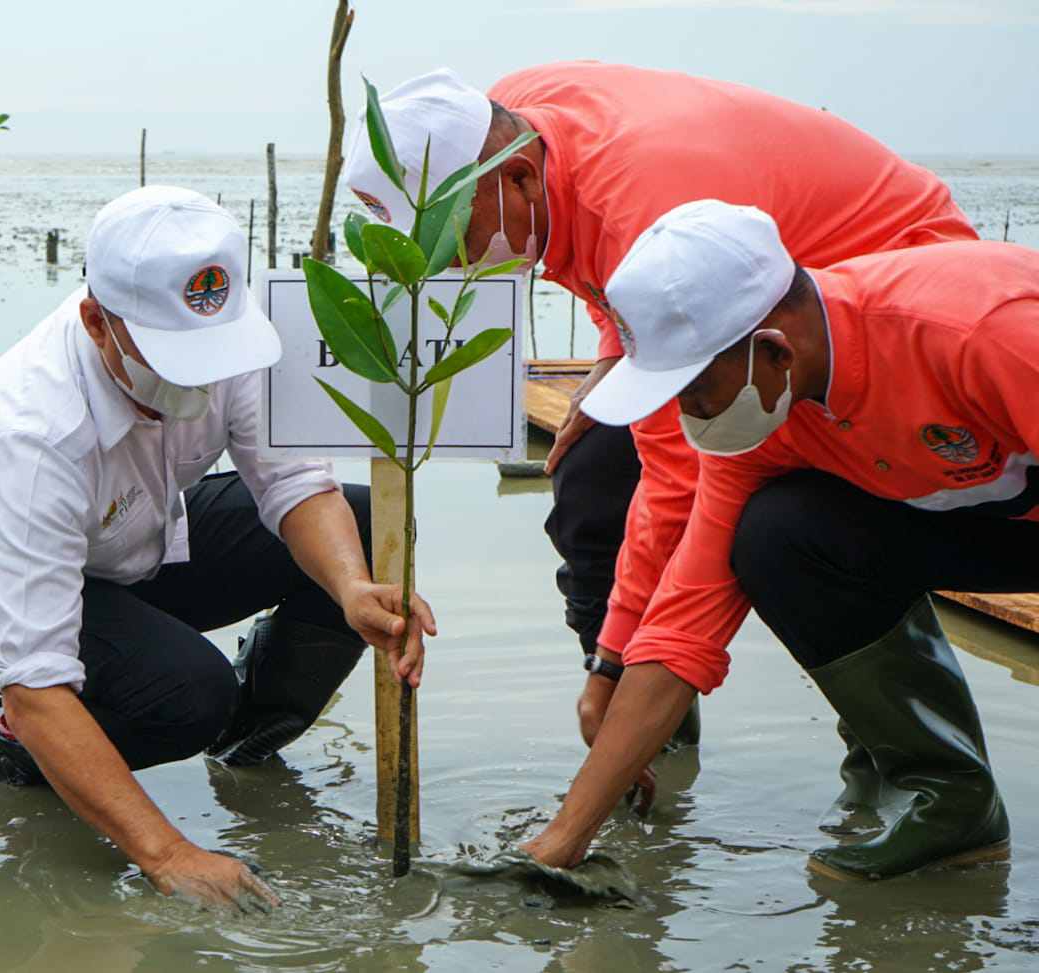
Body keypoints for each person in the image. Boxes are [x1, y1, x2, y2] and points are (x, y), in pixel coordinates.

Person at [342, 63, 977, 762]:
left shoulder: (643, 204)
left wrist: (611, 660)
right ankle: (653, 733)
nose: (448, 268)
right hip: (735, 294)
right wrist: (615, 348)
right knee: (588, 476)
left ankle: (897, 754)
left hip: (877, 294)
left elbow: (676, 479)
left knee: (775, 527)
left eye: (453, 241)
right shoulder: (517, 113)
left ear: (520, 177)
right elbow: (591, 244)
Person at [0, 186, 436, 910]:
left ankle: (246, 737)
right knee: (189, 693)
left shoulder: (232, 335)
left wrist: (349, 589)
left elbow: (293, 481)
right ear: (95, 321)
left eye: (213, 354)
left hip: (130, 535)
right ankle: (14, 748)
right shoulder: (30, 432)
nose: (204, 377)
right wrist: (169, 851)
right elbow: (33, 673)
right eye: (178, 359)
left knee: (360, 532)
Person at [527, 198, 1037, 880]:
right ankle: (949, 800)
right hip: (987, 510)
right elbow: (683, 627)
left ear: (772, 348)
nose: (687, 417)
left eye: (693, 392)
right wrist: (562, 840)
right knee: (777, 536)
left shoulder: (983, 332)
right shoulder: (762, 417)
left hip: (997, 490)